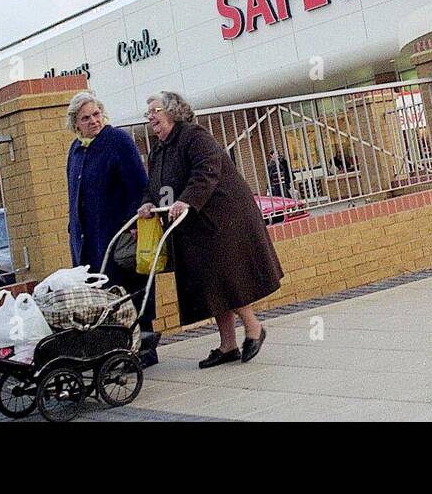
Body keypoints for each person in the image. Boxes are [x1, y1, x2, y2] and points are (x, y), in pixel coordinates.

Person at [139, 90, 284, 369]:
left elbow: (207, 171)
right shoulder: (158, 149)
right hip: (193, 225)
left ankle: (254, 328)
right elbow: (152, 186)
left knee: (224, 278)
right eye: (148, 114)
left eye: (155, 111)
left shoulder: (194, 136)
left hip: (222, 218)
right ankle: (227, 345)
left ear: (172, 111)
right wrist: (147, 204)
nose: (150, 118)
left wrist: (185, 200)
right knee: (211, 285)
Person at [64, 90, 158, 368]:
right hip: (87, 237)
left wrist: (135, 222)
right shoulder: (76, 149)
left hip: (117, 233)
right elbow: (74, 193)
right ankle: (114, 351)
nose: (93, 121)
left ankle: (143, 351)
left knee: (126, 290)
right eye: (86, 118)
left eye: (96, 114)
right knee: (100, 296)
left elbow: (139, 186)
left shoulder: (118, 141)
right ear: (76, 123)